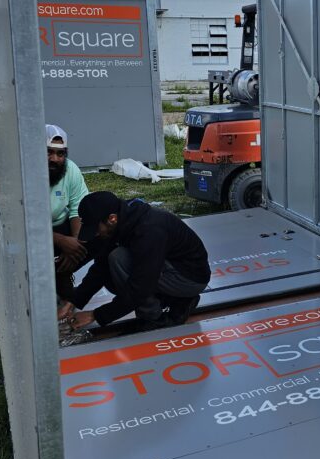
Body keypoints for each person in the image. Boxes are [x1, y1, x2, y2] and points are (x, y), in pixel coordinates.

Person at [58, 191, 211, 331]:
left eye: (96, 229)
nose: (96, 233)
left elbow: (140, 287)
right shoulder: (122, 218)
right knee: (112, 272)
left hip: (190, 278)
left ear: (112, 219)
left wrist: (95, 315)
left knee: (118, 260)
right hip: (170, 268)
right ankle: (179, 301)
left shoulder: (149, 231)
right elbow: (101, 267)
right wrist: (74, 301)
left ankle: (153, 319)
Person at [47, 124, 89, 296]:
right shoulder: (23, 174)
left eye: (60, 153)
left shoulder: (70, 170)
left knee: (99, 236)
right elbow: (22, 225)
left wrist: (74, 246)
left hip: (61, 225)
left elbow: (78, 210)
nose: (54, 159)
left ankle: (64, 275)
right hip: (32, 232)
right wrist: (61, 241)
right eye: (48, 152)